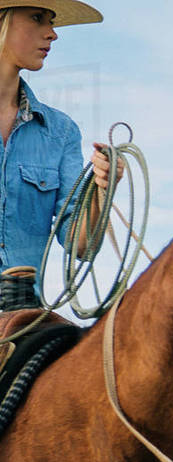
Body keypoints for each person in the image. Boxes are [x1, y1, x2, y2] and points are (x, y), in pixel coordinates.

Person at [0, 2, 116, 308]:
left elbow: (81, 246)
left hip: (22, 318)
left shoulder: (60, 131)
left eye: (50, 22)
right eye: (37, 19)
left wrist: (102, 189)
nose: (52, 34)